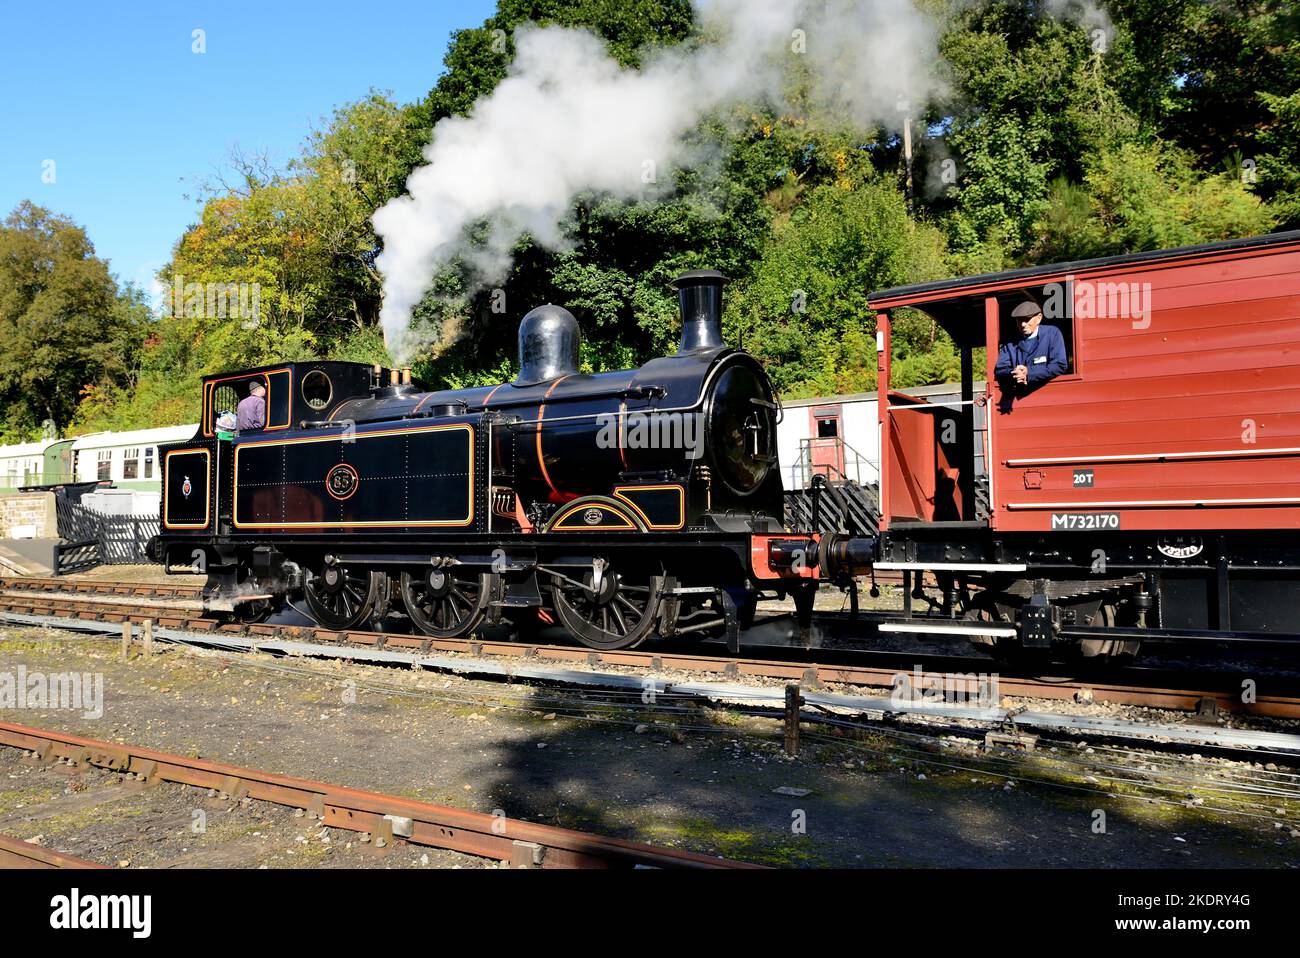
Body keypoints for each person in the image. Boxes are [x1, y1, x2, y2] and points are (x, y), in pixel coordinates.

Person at [995, 301, 1068, 402]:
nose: (1023, 324)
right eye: (1019, 320)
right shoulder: (1009, 342)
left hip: (1051, 398)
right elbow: (1000, 370)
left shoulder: (1052, 334)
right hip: (1019, 401)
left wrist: (1029, 372)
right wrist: (1015, 373)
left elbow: (1060, 365)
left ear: (1039, 318)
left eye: (1026, 319)